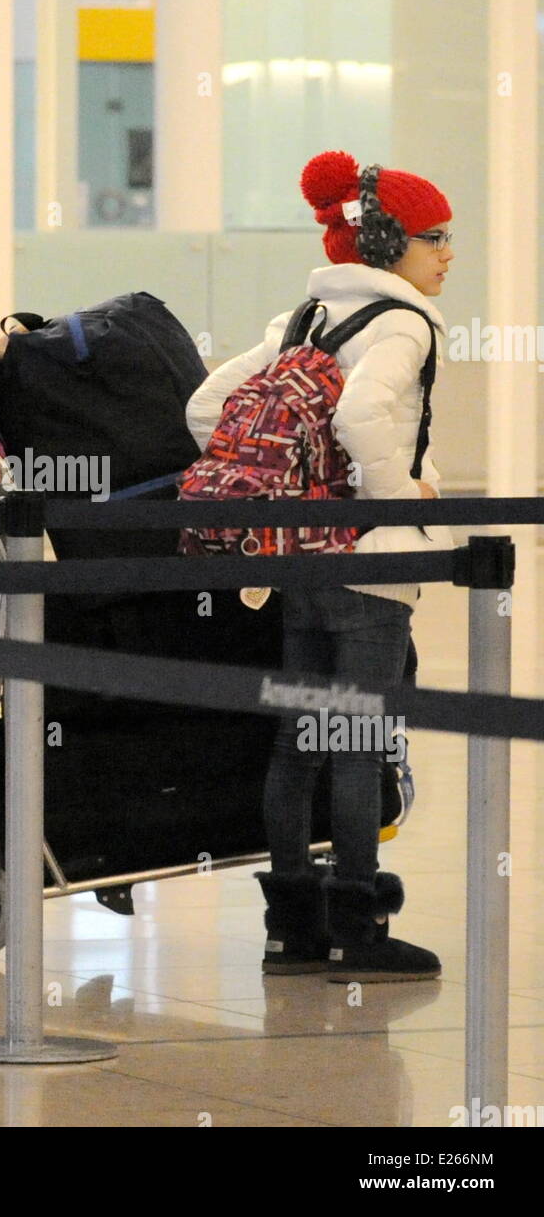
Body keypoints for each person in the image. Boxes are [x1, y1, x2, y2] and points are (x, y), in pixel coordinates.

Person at [186, 149, 454, 982]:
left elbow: (206, 409)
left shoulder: (303, 316)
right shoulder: (403, 321)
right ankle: (356, 924)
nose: (448, 253)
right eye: (434, 237)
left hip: (297, 561)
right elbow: (367, 412)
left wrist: (287, 490)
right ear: (389, 245)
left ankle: (291, 928)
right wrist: (396, 503)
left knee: (301, 740)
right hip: (369, 569)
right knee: (359, 739)